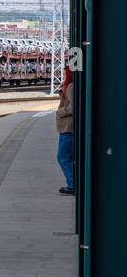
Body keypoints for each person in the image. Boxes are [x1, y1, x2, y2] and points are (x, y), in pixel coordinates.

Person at [56, 65, 75, 195]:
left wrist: (60, 112)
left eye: (65, 73)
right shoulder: (68, 86)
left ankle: (72, 184)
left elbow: (73, 107)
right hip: (67, 127)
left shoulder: (71, 87)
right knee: (68, 157)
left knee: (62, 157)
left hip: (68, 127)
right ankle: (72, 183)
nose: (63, 76)